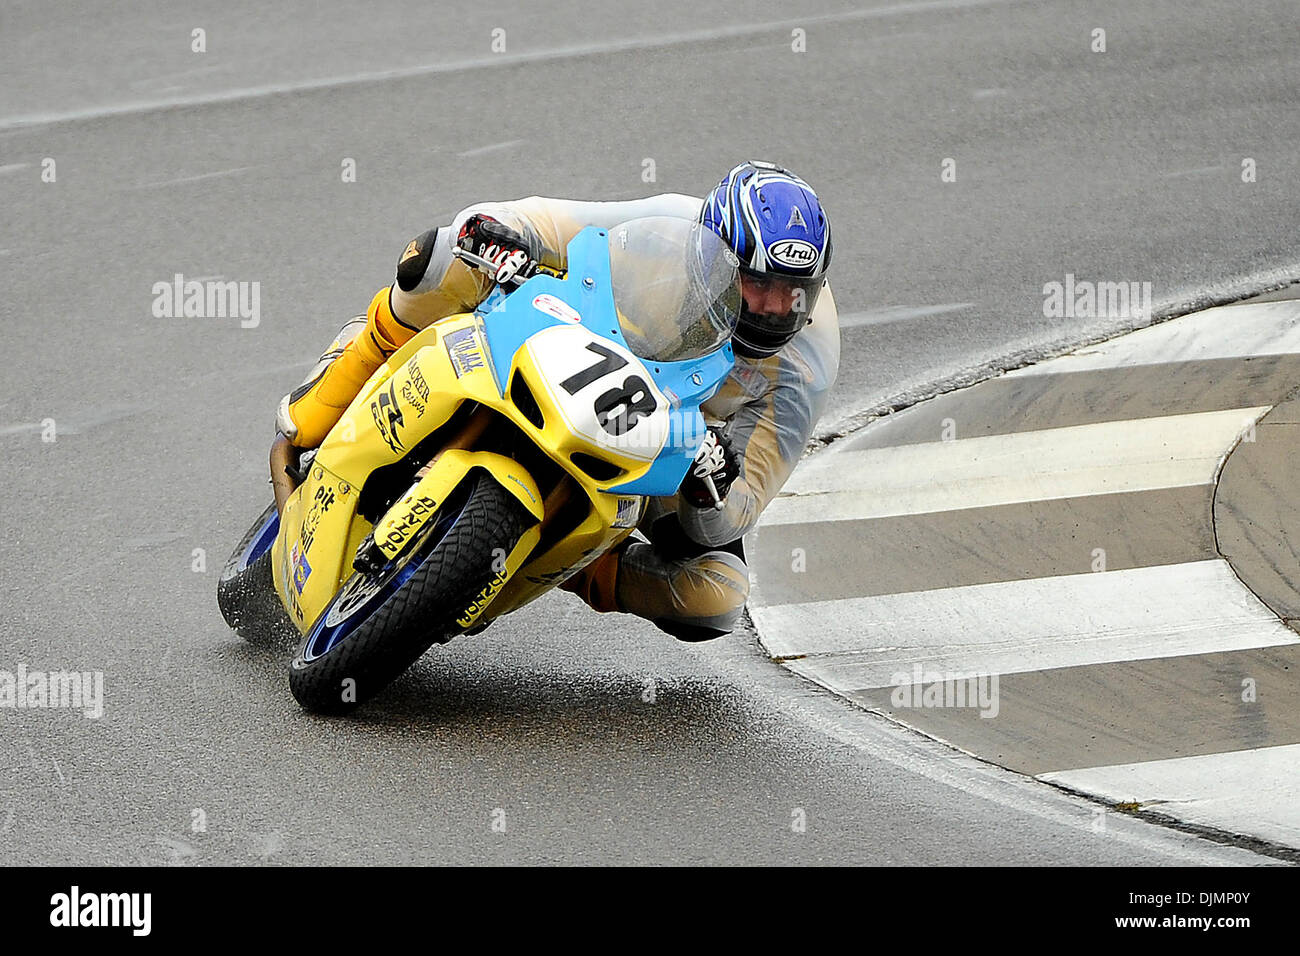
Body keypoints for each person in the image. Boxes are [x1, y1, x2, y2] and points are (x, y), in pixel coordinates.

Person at [275, 161, 839, 641]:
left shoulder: (804, 366)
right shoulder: (672, 227)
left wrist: (710, 484)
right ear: (710, 253)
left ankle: (571, 563)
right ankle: (332, 392)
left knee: (718, 598)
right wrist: (502, 232)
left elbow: (736, 512)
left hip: (658, 446)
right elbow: (547, 220)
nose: (772, 308)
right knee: (440, 255)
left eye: (794, 292)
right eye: (756, 284)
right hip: (572, 346)